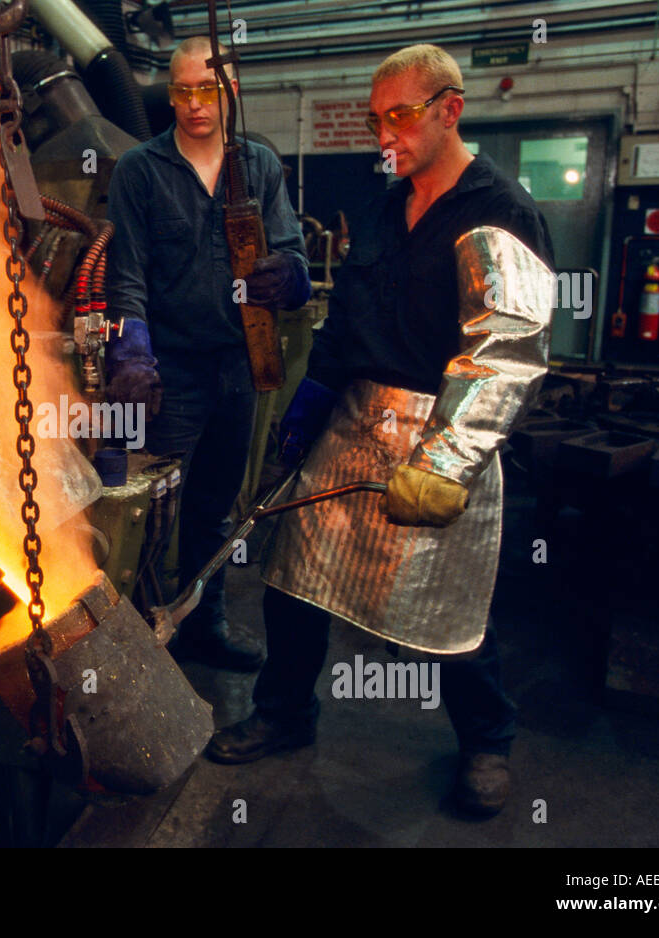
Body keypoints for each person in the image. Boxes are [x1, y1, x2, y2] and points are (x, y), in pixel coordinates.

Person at [206, 43, 555, 818]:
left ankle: (488, 740)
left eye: (399, 116)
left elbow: (507, 345)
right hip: (357, 415)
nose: (383, 135)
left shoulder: (495, 210)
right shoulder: (383, 206)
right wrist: (311, 400)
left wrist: (451, 458)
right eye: (375, 119)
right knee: (292, 575)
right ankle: (286, 713)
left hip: (442, 428)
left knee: (450, 606)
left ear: (449, 109)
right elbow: (351, 319)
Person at [104, 36, 311, 671]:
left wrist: (290, 276)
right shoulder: (140, 170)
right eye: (184, 91)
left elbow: (294, 250)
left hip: (240, 366)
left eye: (210, 90)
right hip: (172, 371)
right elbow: (127, 273)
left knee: (213, 511)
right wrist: (133, 349)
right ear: (170, 95)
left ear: (231, 93)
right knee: (147, 512)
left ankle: (201, 623)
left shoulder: (260, 167)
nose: (197, 104)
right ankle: (133, 634)